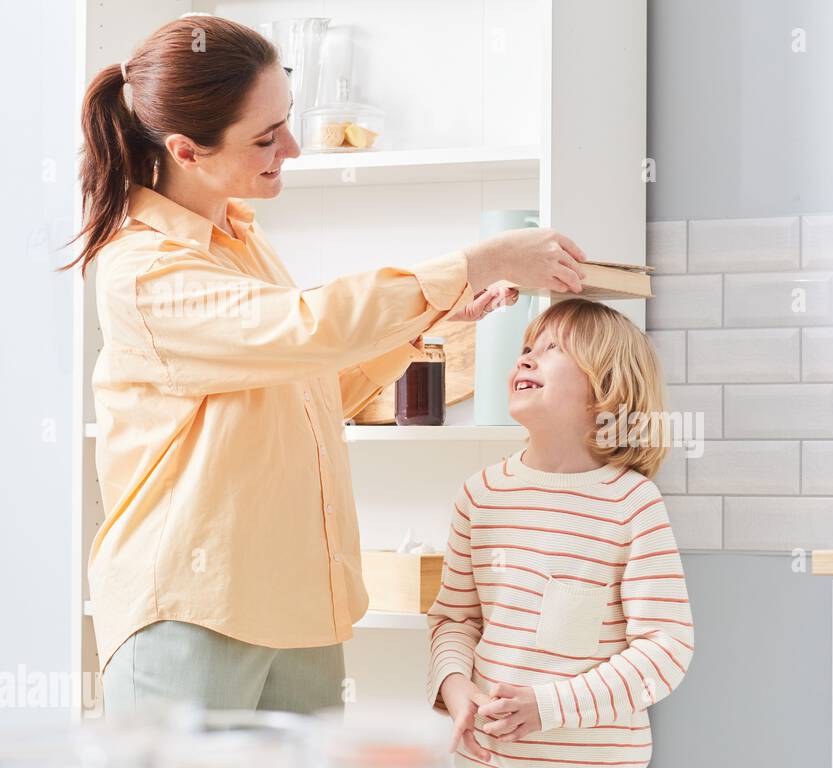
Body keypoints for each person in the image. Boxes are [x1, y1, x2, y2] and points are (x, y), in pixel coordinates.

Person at [67, 14, 587, 714]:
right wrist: (473, 263)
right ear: (188, 152)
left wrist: (421, 327)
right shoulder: (145, 270)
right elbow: (307, 327)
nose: (292, 147)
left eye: (285, 120)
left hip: (298, 609)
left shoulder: (241, 242)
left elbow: (311, 386)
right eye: (265, 136)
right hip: (192, 611)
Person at [426, 299, 694, 768]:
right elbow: (455, 619)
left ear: (607, 390)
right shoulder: (482, 495)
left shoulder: (631, 503)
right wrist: (455, 689)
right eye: (527, 347)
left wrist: (550, 706)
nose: (528, 358)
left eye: (553, 350)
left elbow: (666, 648)